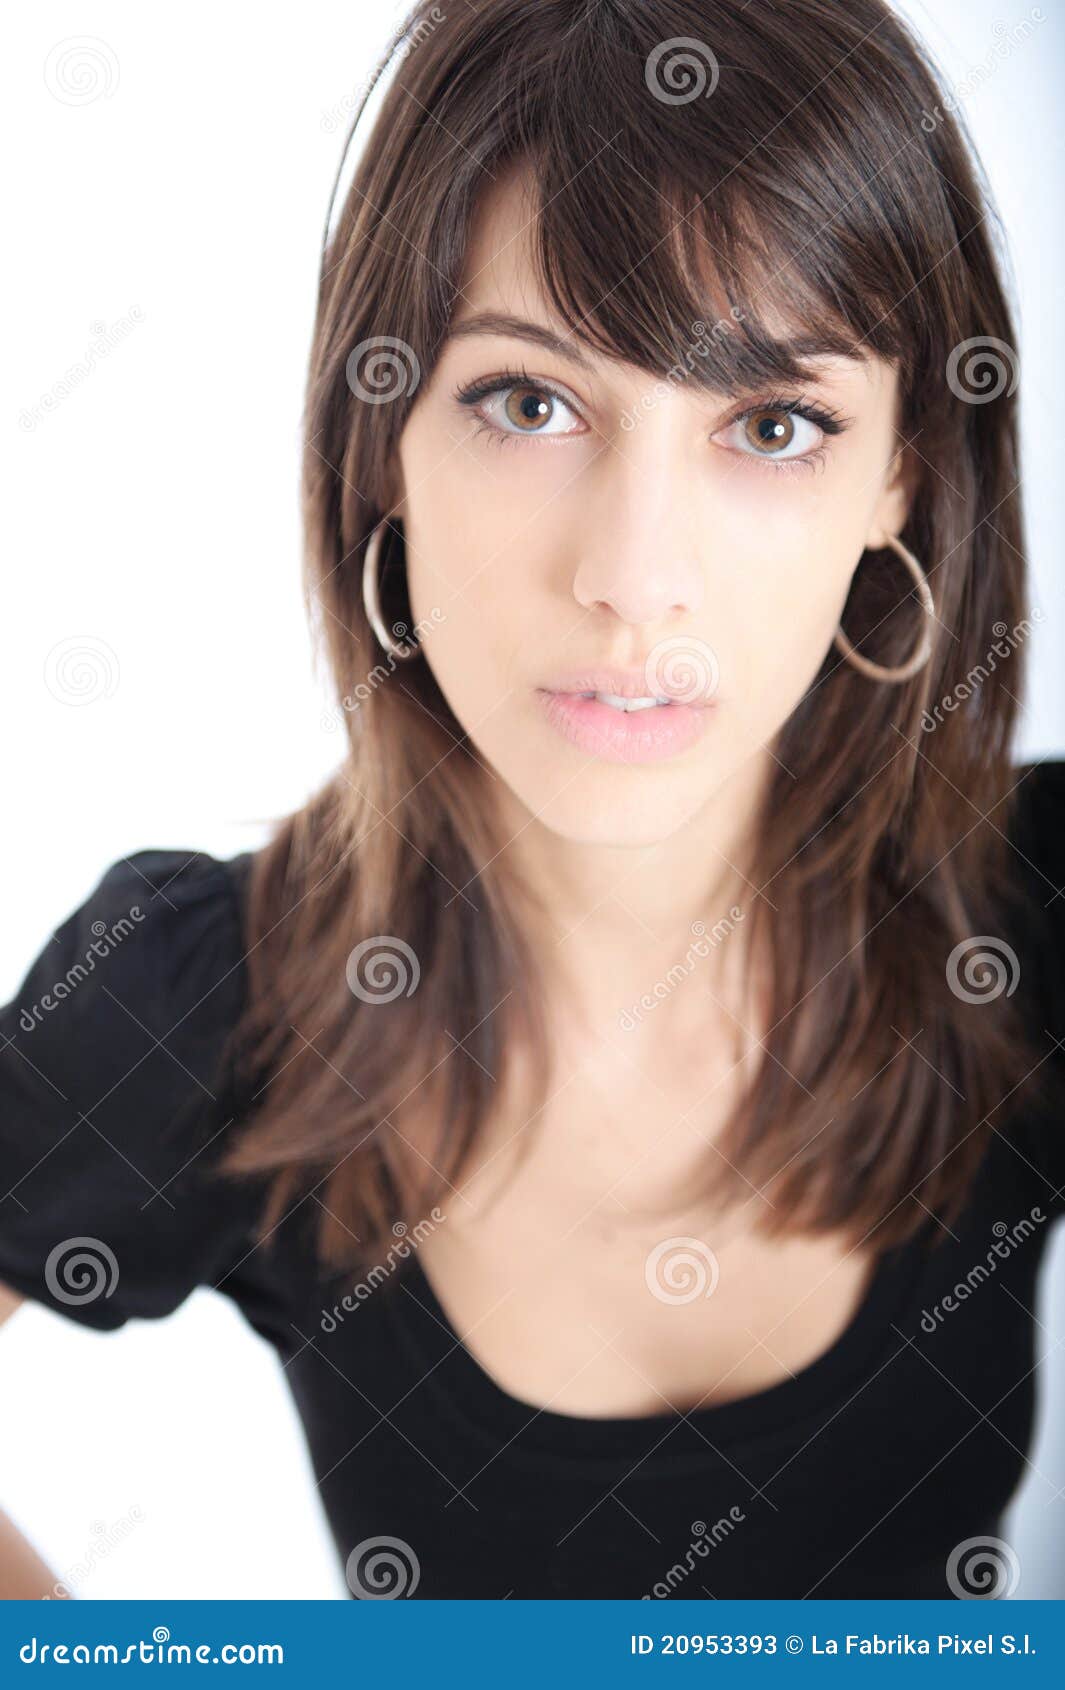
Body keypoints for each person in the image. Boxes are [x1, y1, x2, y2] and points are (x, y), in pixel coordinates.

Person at [2, 0, 1062, 1601]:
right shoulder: (196, 1004)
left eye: (772, 427)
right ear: (385, 440)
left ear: (900, 474)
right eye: (530, 401)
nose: (632, 581)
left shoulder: (1034, 912)